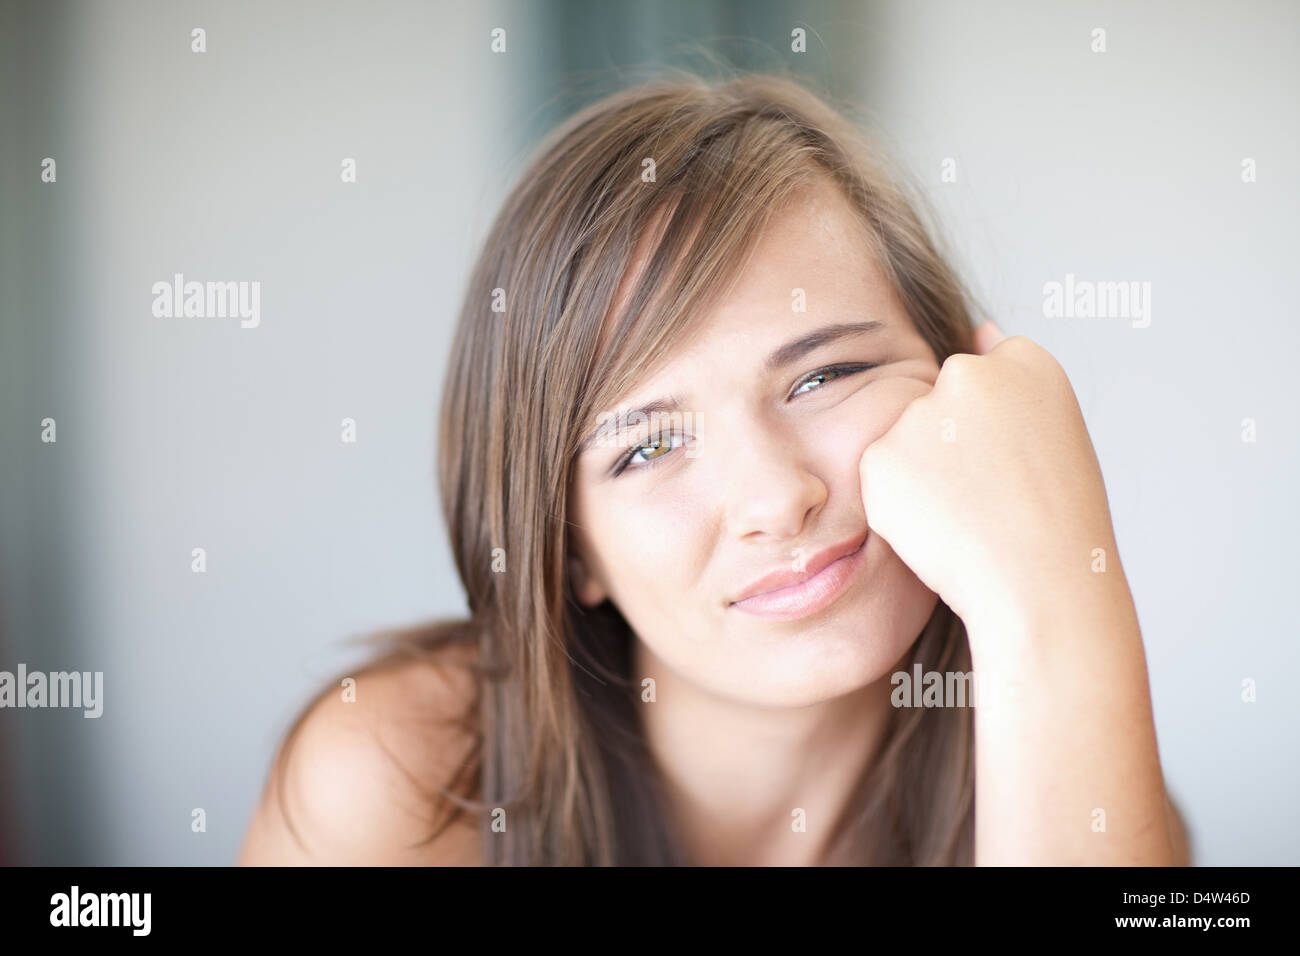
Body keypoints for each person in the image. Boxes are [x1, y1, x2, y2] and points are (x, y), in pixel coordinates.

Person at [238, 70, 1190, 866]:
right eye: (648, 445)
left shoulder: (1065, 772)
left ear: (958, 389)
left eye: (827, 375)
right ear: (571, 552)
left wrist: (1054, 587)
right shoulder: (403, 785)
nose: (777, 498)